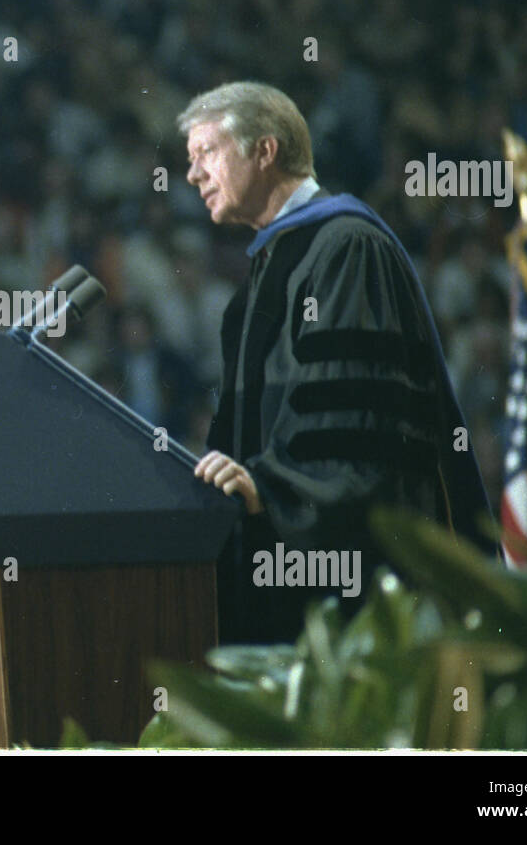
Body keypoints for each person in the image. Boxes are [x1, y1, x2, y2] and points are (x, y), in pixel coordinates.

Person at [180, 82, 491, 641]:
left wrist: (269, 490)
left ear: (265, 150)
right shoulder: (258, 283)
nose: (192, 175)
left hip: (357, 593)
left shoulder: (347, 247)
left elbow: (350, 435)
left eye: (206, 153)